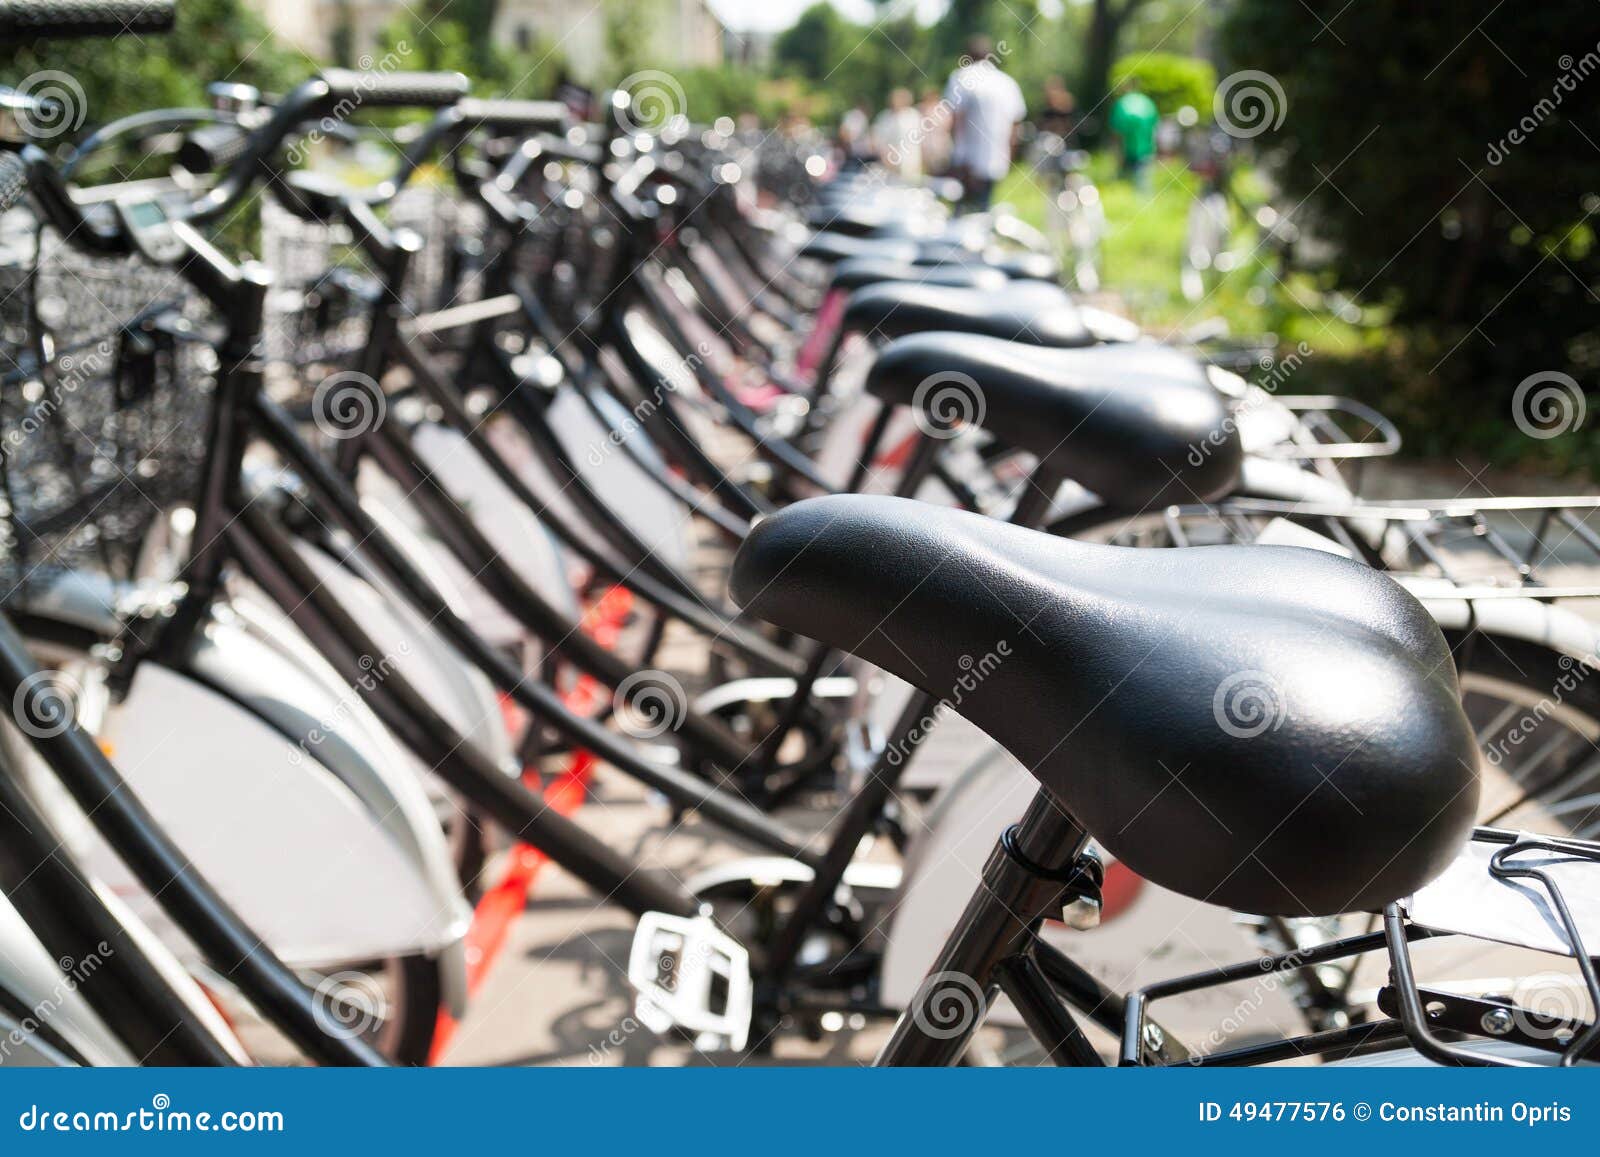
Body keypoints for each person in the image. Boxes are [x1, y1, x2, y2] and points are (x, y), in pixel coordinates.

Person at [944, 36, 1025, 212]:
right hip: (996, 160)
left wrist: (959, 155)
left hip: (966, 162)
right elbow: (1016, 126)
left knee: (963, 214)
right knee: (982, 212)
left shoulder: (960, 77)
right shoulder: (1007, 83)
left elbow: (956, 119)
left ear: (967, 56)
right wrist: (1010, 157)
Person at [1109, 79, 1159, 191]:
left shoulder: (1122, 104)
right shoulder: (1147, 103)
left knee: (1123, 185)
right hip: (1146, 149)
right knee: (1143, 185)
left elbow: (1116, 132)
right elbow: (1155, 127)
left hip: (1126, 150)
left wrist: (1116, 154)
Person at [873, 87, 922, 181]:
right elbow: (877, 141)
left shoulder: (914, 116)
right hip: (888, 164)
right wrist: (886, 157)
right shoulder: (884, 117)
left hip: (910, 163)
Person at [1036, 75, 1078, 144]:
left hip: (1065, 137)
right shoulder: (1047, 109)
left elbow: (1068, 116)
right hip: (1048, 138)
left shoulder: (1066, 100)